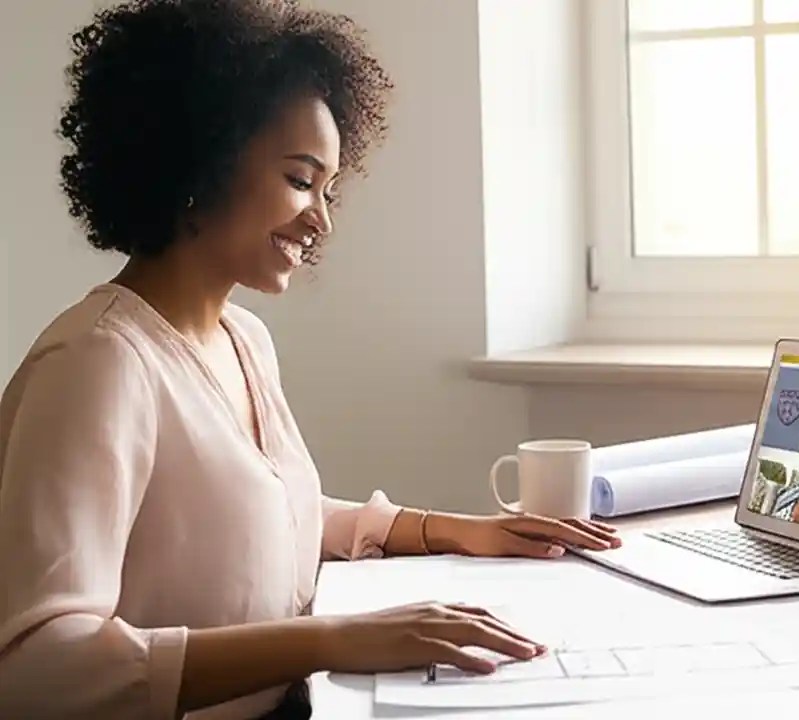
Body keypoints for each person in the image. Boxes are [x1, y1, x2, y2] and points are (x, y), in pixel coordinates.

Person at [0, 1, 620, 718]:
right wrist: (330, 641)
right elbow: (39, 666)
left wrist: (454, 530)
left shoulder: (243, 339)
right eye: (300, 180)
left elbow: (253, 517)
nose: (321, 218)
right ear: (199, 160)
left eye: (328, 189)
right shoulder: (96, 365)